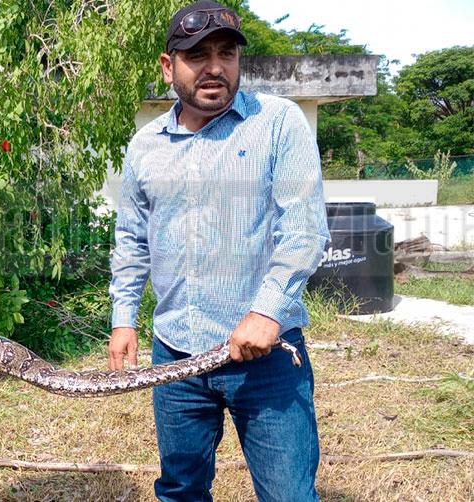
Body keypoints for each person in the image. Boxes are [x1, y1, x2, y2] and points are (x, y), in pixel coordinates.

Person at [107, 1, 329, 500]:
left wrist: (266, 312)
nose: (214, 68)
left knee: (288, 495)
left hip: (267, 358)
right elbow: (132, 238)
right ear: (169, 66)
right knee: (182, 489)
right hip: (176, 355)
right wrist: (124, 317)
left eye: (226, 53)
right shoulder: (146, 145)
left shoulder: (277, 123)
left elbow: (304, 230)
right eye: (196, 54)